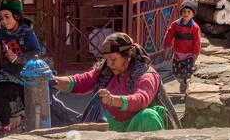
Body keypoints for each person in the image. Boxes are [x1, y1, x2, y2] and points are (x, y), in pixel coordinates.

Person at [50, 32, 179, 132]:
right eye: (106, 59)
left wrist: (113, 100)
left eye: (113, 59)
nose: (109, 64)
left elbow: (141, 99)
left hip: (138, 125)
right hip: (116, 127)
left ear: (127, 56)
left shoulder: (146, 74)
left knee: (148, 116)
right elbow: (80, 81)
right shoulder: (105, 71)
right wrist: (52, 80)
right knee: (99, 116)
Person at [0, 0, 45, 134]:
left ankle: (34, 129)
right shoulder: (0, 34)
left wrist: (18, 58)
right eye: (1, 18)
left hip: (28, 76)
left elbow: (36, 52)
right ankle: (6, 127)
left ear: (16, 16)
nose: (3, 21)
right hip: (9, 75)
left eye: (7, 17)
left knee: (31, 104)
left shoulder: (27, 33)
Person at [163, 0, 203, 95]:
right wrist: (167, 46)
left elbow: (197, 41)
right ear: (181, 13)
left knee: (188, 71)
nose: (186, 13)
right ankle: (182, 82)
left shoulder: (195, 27)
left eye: (189, 11)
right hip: (177, 53)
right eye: (184, 11)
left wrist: (195, 53)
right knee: (176, 72)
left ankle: (186, 83)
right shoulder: (175, 25)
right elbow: (169, 35)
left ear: (193, 14)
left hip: (189, 54)